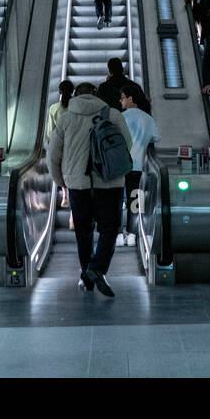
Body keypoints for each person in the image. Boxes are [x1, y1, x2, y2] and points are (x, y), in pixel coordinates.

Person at [48, 81, 133, 297]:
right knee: (109, 229)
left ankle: (87, 275)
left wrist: (62, 181)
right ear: (96, 95)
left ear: (76, 95)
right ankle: (96, 268)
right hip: (110, 183)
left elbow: (52, 156)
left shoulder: (65, 119)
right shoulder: (113, 114)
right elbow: (127, 144)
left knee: (83, 232)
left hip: (78, 185)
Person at [119, 82, 159, 247]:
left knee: (118, 201)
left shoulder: (121, 117)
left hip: (120, 166)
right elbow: (156, 138)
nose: (120, 101)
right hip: (139, 166)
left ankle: (120, 234)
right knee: (136, 201)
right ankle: (134, 233)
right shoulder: (148, 119)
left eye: (122, 98)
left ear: (130, 99)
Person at [48, 80, 75, 226]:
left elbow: (50, 133)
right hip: (75, 148)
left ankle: (65, 195)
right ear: (73, 91)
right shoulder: (76, 108)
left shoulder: (53, 109)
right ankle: (73, 217)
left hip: (59, 148)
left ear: (59, 91)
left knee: (61, 172)